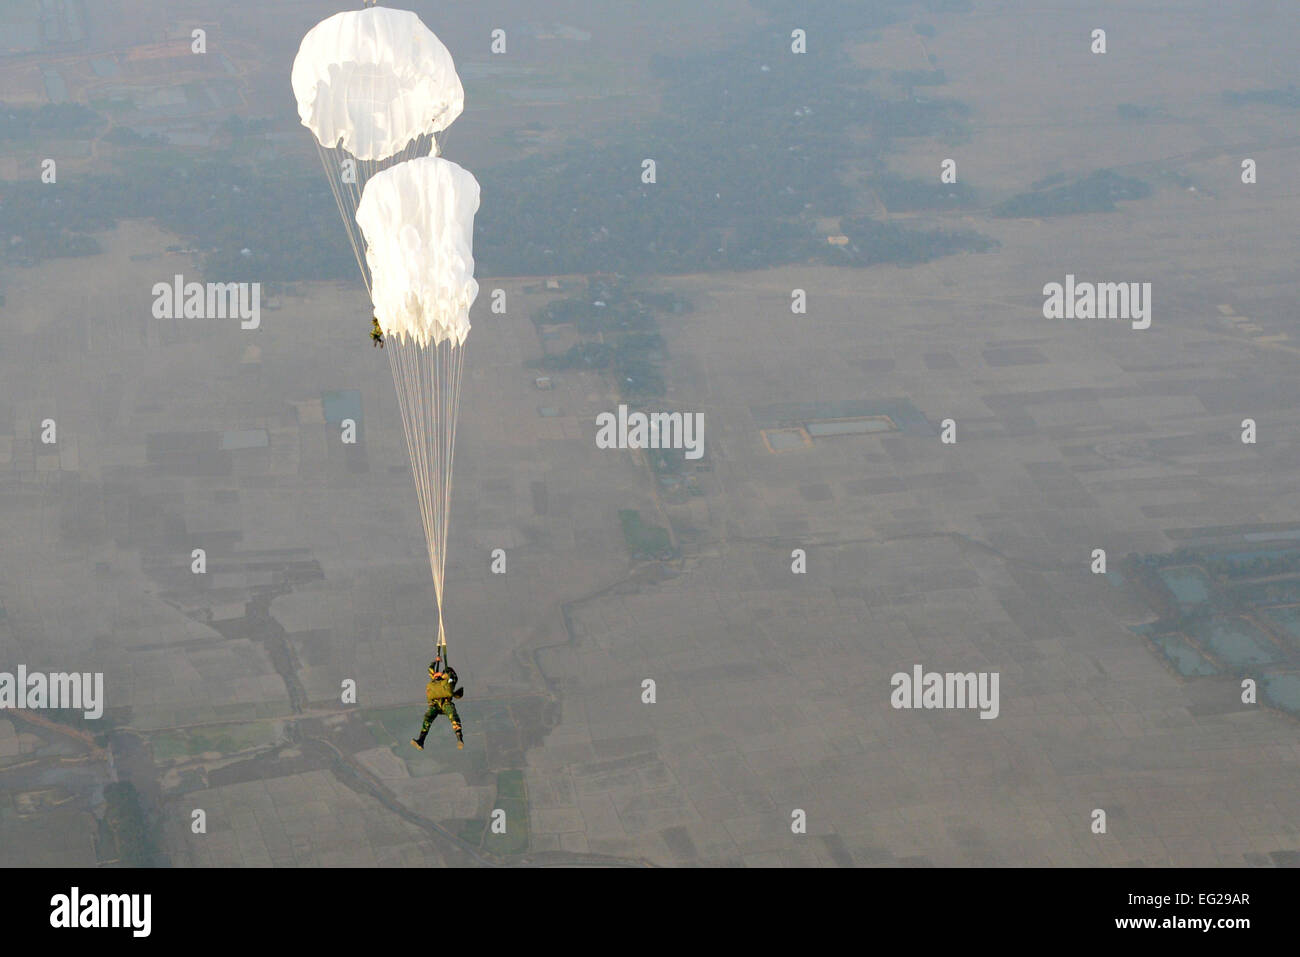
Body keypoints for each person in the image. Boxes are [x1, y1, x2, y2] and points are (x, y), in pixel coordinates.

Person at [411, 655, 464, 750]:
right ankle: (421, 740)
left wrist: (444, 675)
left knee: (453, 716)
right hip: (435, 704)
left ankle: (459, 738)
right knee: (428, 717)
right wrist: (436, 661)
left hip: (445, 703)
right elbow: (430, 669)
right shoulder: (435, 679)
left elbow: (452, 676)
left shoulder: (450, 679)